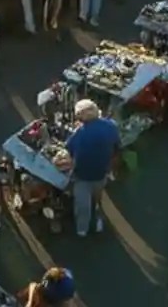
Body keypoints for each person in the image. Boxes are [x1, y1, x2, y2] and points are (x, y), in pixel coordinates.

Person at [64, 99, 119, 237]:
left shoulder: (80, 133)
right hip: (102, 172)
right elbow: (117, 145)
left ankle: (82, 230)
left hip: (82, 175)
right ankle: (98, 219)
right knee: (97, 196)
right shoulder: (111, 126)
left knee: (83, 205)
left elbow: (69, 149)